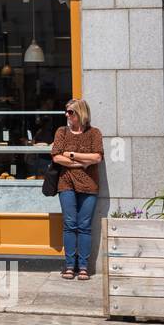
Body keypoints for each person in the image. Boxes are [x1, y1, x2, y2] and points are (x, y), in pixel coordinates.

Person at [52, 98, 104, 280]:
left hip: (89, 185)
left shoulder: (94, 133)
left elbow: (97, 157)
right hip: (66, 183)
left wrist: (72, 155)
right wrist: (82, 163)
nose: (67, 115)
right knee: (69, 224)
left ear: (81, 113)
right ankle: (69, 266)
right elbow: (57, 157)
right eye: (66, 111)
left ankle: (83, 267)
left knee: (84, 226)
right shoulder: (62, 132)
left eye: (71, 112)